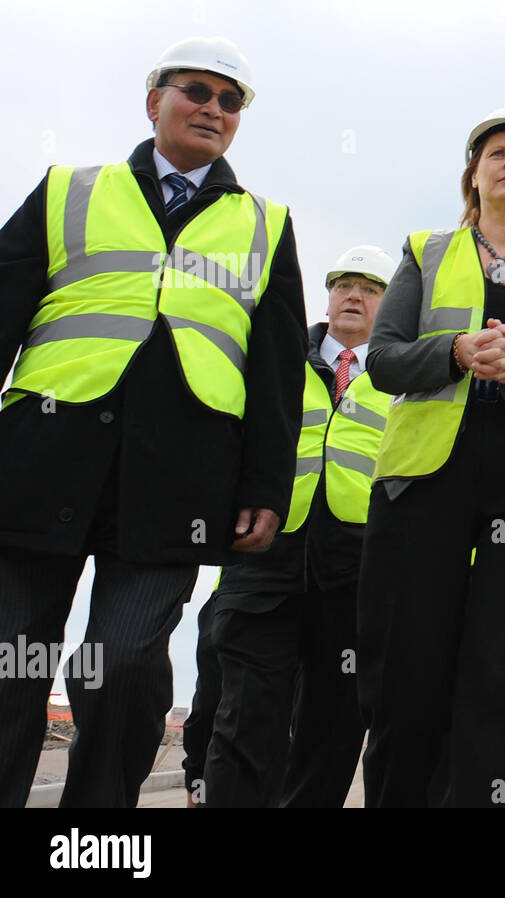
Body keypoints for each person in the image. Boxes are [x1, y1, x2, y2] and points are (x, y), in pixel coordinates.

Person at [0, 36, 305, 808]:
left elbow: (274, 371)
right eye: (196, 91)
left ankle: (97, 830)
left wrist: (266, 485)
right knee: (13, 661)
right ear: (154, 102)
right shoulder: (73, 188)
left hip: (180, 476)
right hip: (43, 457)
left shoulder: (266, 224)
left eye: (229, 100)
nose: (213, 108)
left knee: (125, 659)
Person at [358, 105, 505, 807]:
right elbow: (384, 359)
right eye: (495, 152)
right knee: (409, 664)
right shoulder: (426, 252)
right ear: (474, 174)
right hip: (425, 482)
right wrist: (458, 351)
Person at [186, 245, 396, 808]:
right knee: (243, 714)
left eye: (371, 288)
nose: (354, 295)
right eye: (344, 284)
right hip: (264, 559)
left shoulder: (403, 377)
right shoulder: (276, 357)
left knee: (332, 729)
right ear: (328, 295)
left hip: (356, 570)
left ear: (391, 302)